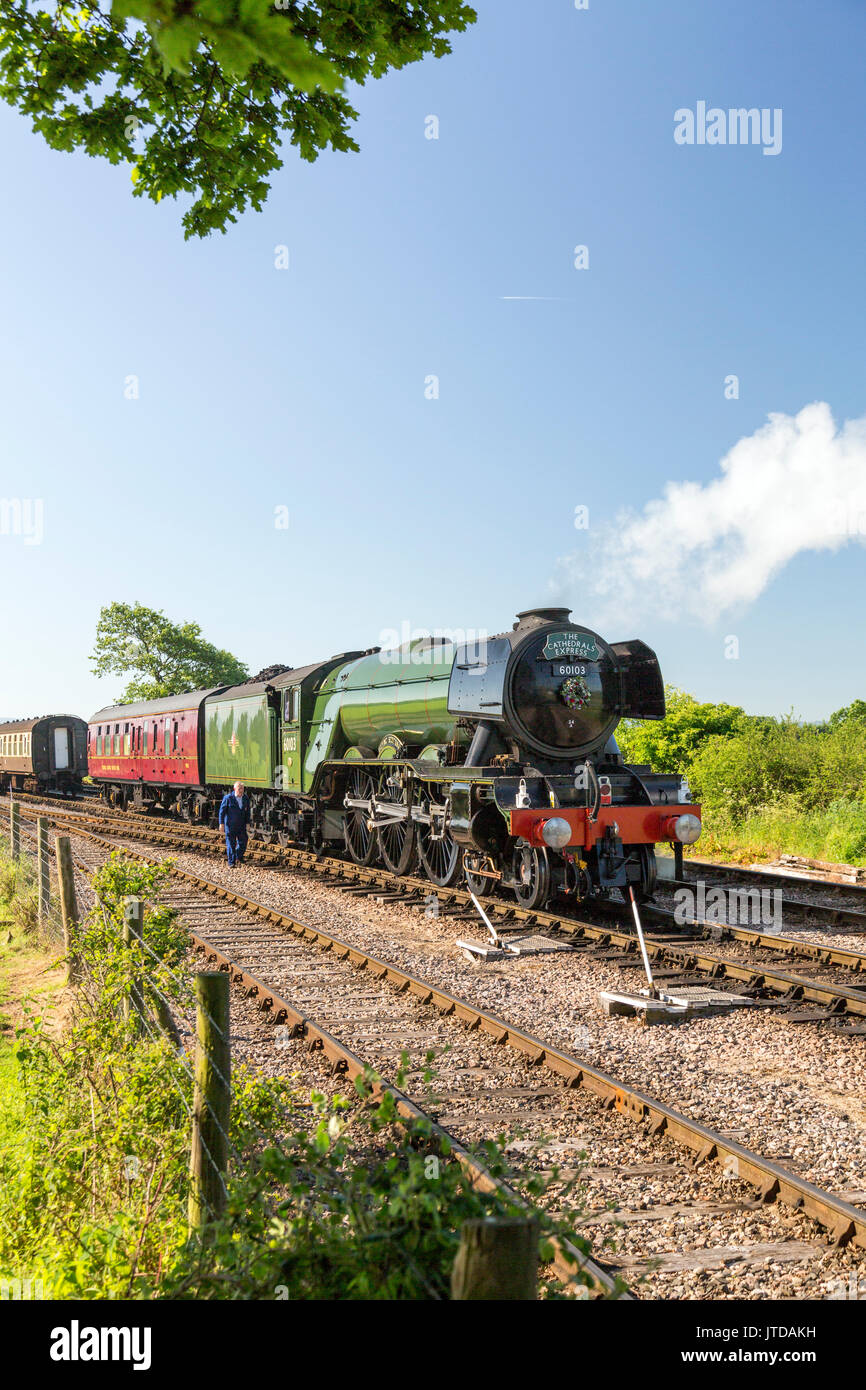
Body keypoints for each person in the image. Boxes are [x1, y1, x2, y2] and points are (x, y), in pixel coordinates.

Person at [219, 780, 250, 868]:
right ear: (234, 789)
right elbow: (222, 812)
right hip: (230, 825)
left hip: (241, 825)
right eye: (239, 789)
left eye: (242, 789)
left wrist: (248, 823)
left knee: (243, 842)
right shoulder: (228, 798)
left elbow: (248, 812)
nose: (241, 790)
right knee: (231, 844)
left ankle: (238, 856)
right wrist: (221, 823)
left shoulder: (245, 798)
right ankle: (231, 862)